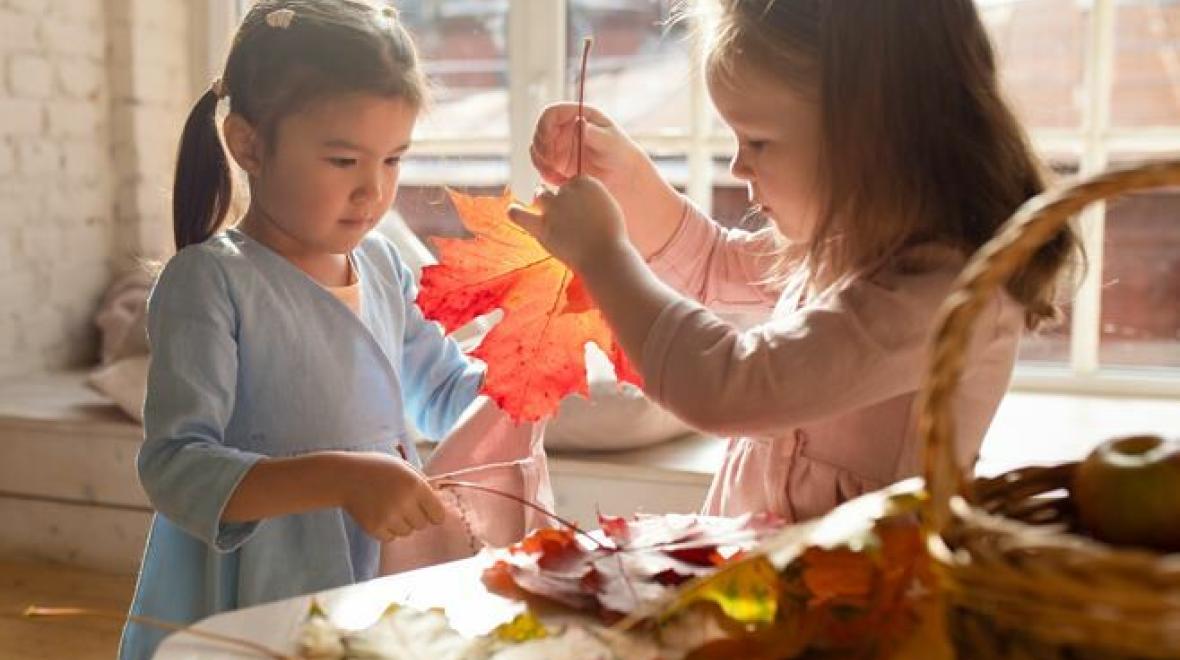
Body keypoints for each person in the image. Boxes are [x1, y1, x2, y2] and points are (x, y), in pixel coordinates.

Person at [511, 0, 1078, 522]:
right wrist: (629, 180)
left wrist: (604, 257)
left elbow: (728, 385)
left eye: (757, 141)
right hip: (762, 597)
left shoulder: (941, 299)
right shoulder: (849, 242)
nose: (738, 165)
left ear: (872, 134)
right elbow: (716, 263)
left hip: (860, 615)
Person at [119, 2, 486, 657]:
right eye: (343, 161)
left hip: (375, 566)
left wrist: (527, 385)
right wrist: (345, 478)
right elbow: (176, 468)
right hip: (261, 584)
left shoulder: (383, 264)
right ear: (249, 145)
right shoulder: (210, 282)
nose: (373, 191)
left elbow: (442, 389)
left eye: (393, 160)